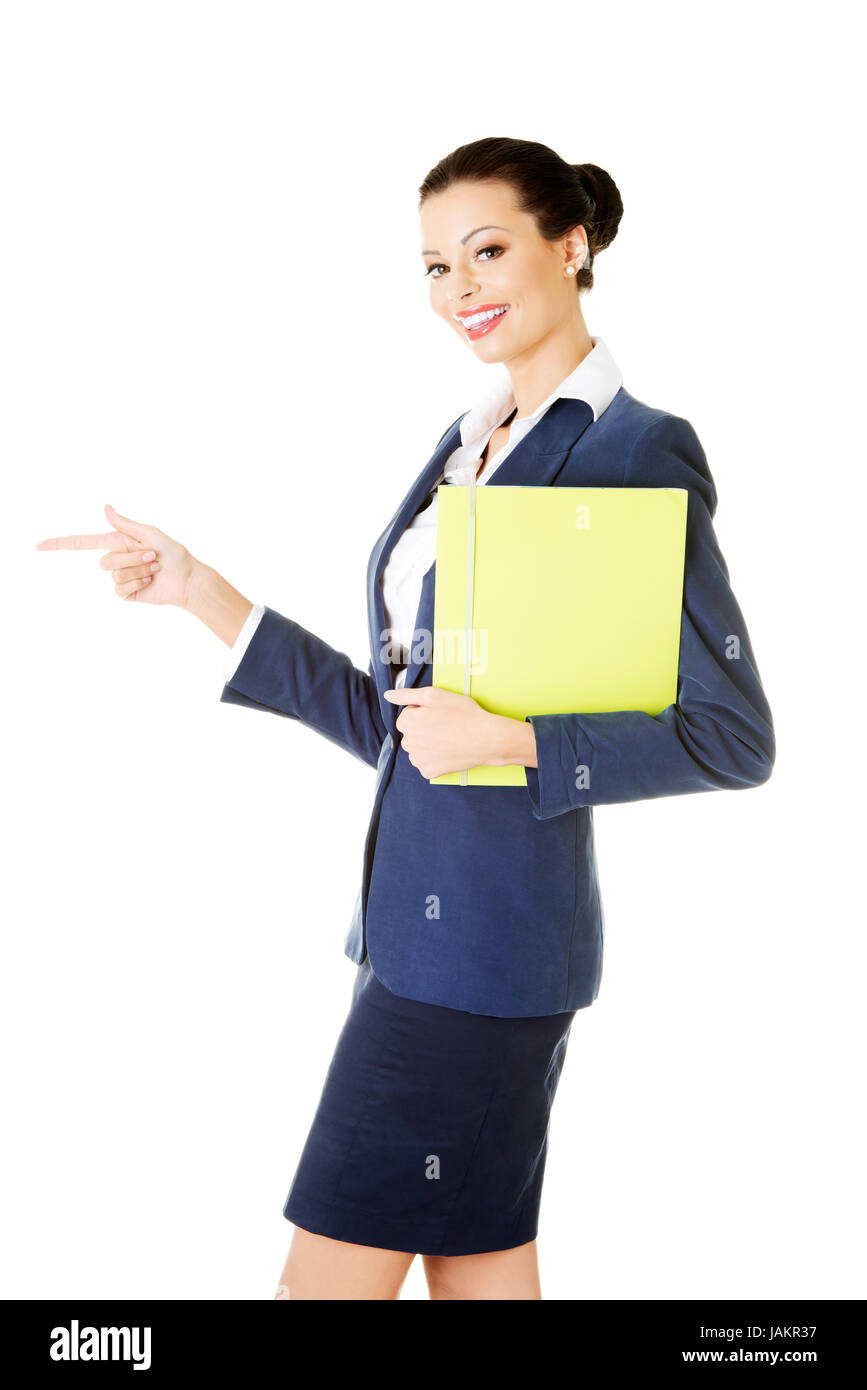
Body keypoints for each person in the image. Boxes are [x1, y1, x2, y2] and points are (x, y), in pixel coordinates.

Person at [35, 137, 776, 1301]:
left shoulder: (635, 450)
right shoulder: (471, 441)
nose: (459, 290)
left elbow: (733, 733)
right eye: (434, 267)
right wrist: (199, 590)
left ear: (570, 244)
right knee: (478, 1274)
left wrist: (518, 741)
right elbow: (404, 725)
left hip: (480, 966)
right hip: (412, 948)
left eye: (486, 252)